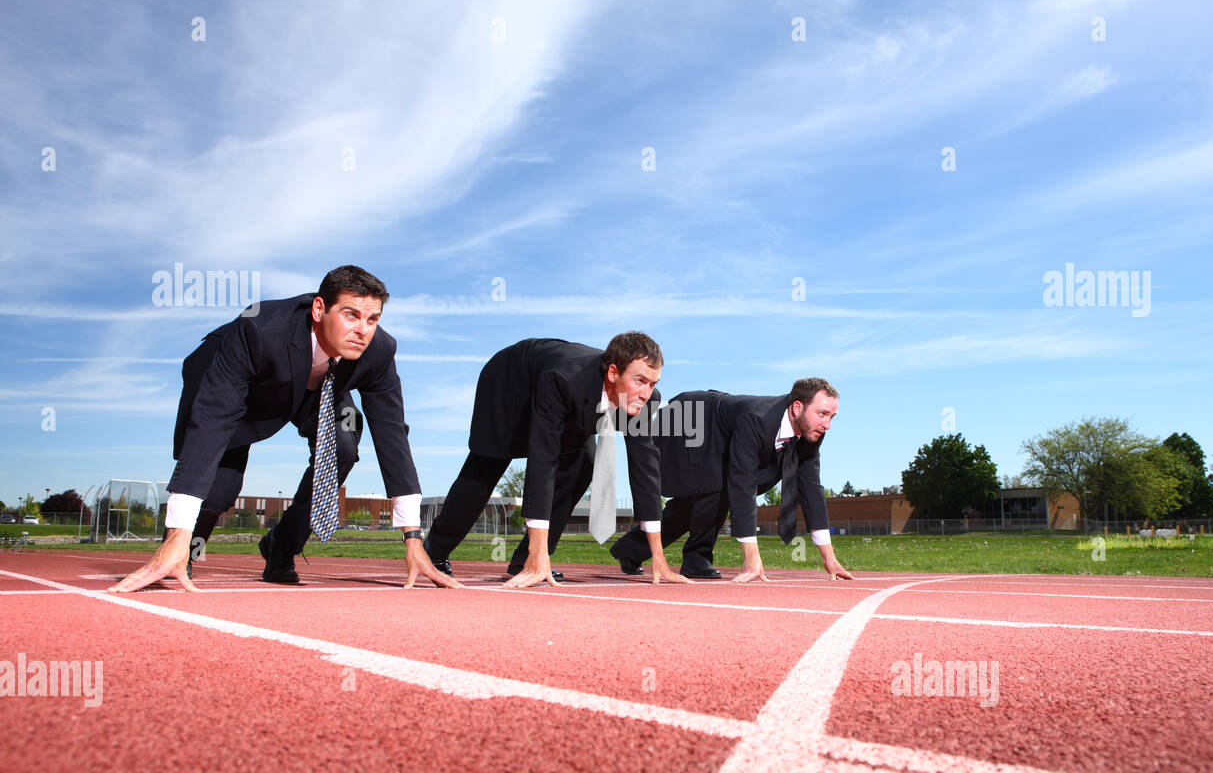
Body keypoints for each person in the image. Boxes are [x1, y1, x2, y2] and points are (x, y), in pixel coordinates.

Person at [109, 266, 460, 593]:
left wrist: (413, 540)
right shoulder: (258, 329)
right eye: (351, 315)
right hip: (243, 383)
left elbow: (393, 435)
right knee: (220, 488)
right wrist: (178, 530)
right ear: (319, 309)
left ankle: (281, 545)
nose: (363, 330)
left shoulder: (379, 351)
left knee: (343, 446)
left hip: (318, 388)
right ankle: (183, 550)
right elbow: (212, 422)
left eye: (372, 319)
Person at [424, 334, 689, 587]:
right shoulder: (564, 379)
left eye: (653, 383)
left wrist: (659, 558)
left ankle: (531, 558)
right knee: (488, 465)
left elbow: (646, 468)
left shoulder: (645, 399)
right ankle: (435, 550)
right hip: (511, 382)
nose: (647, 392)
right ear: (612, 373)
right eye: (640, 381)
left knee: (583, 462)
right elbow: (544, 457)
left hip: (571, 398)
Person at [609, 379, 854, 582]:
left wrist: (829, 558)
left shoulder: (812, 431)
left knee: (702, 499)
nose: (827, 424)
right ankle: (696, 558)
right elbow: (743, 481)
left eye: (832, 416)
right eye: (822, 414)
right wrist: (751, 557)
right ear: (797, 407)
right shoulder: (757, 419)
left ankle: (631, 549)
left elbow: (811, 488)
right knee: (717, 487)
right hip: (694, 421)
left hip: (721, 435)